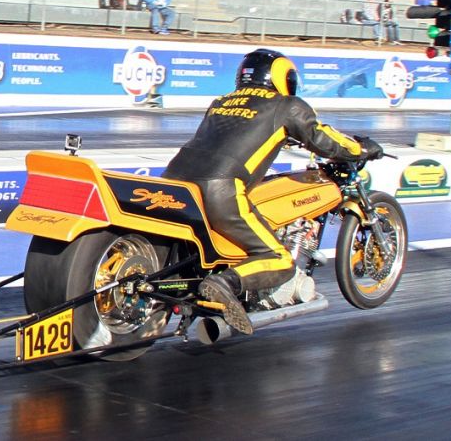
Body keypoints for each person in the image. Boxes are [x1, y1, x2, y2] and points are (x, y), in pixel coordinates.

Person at [162, 49, 384, 334]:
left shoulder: (221, 102)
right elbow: (321, 138)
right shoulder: (286, 105)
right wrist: (360, 148)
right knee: (279, 259)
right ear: (282, 77)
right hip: (220, 188)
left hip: (174, 181)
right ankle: (225, 282)